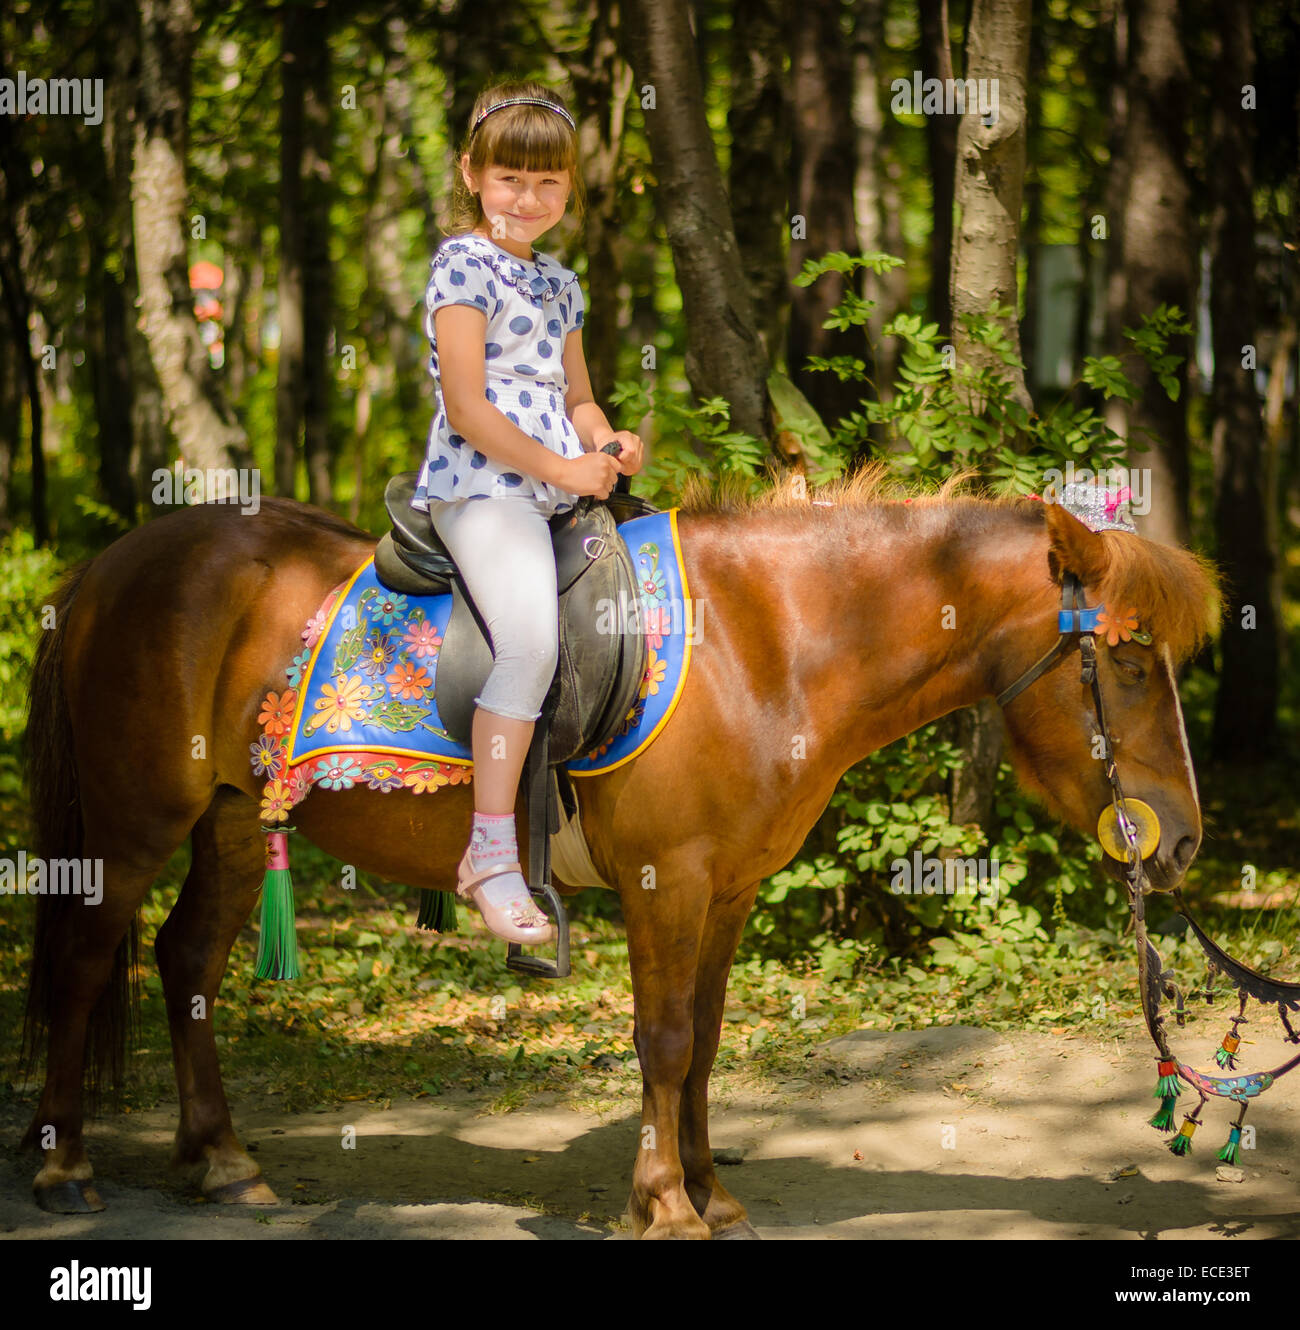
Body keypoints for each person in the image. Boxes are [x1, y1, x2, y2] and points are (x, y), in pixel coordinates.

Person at [412, 80, 644, 945]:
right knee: (531, 643)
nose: (529, 199)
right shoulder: (461, 264)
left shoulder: (561, 282)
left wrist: (610, 440)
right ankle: (489, 851)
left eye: (549, 184)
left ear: (570, 188)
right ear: (472, 173)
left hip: (558, 480)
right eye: (510, 178)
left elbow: (577, 396)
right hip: (483, 487)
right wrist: (561, 468)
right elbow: (470, 406)